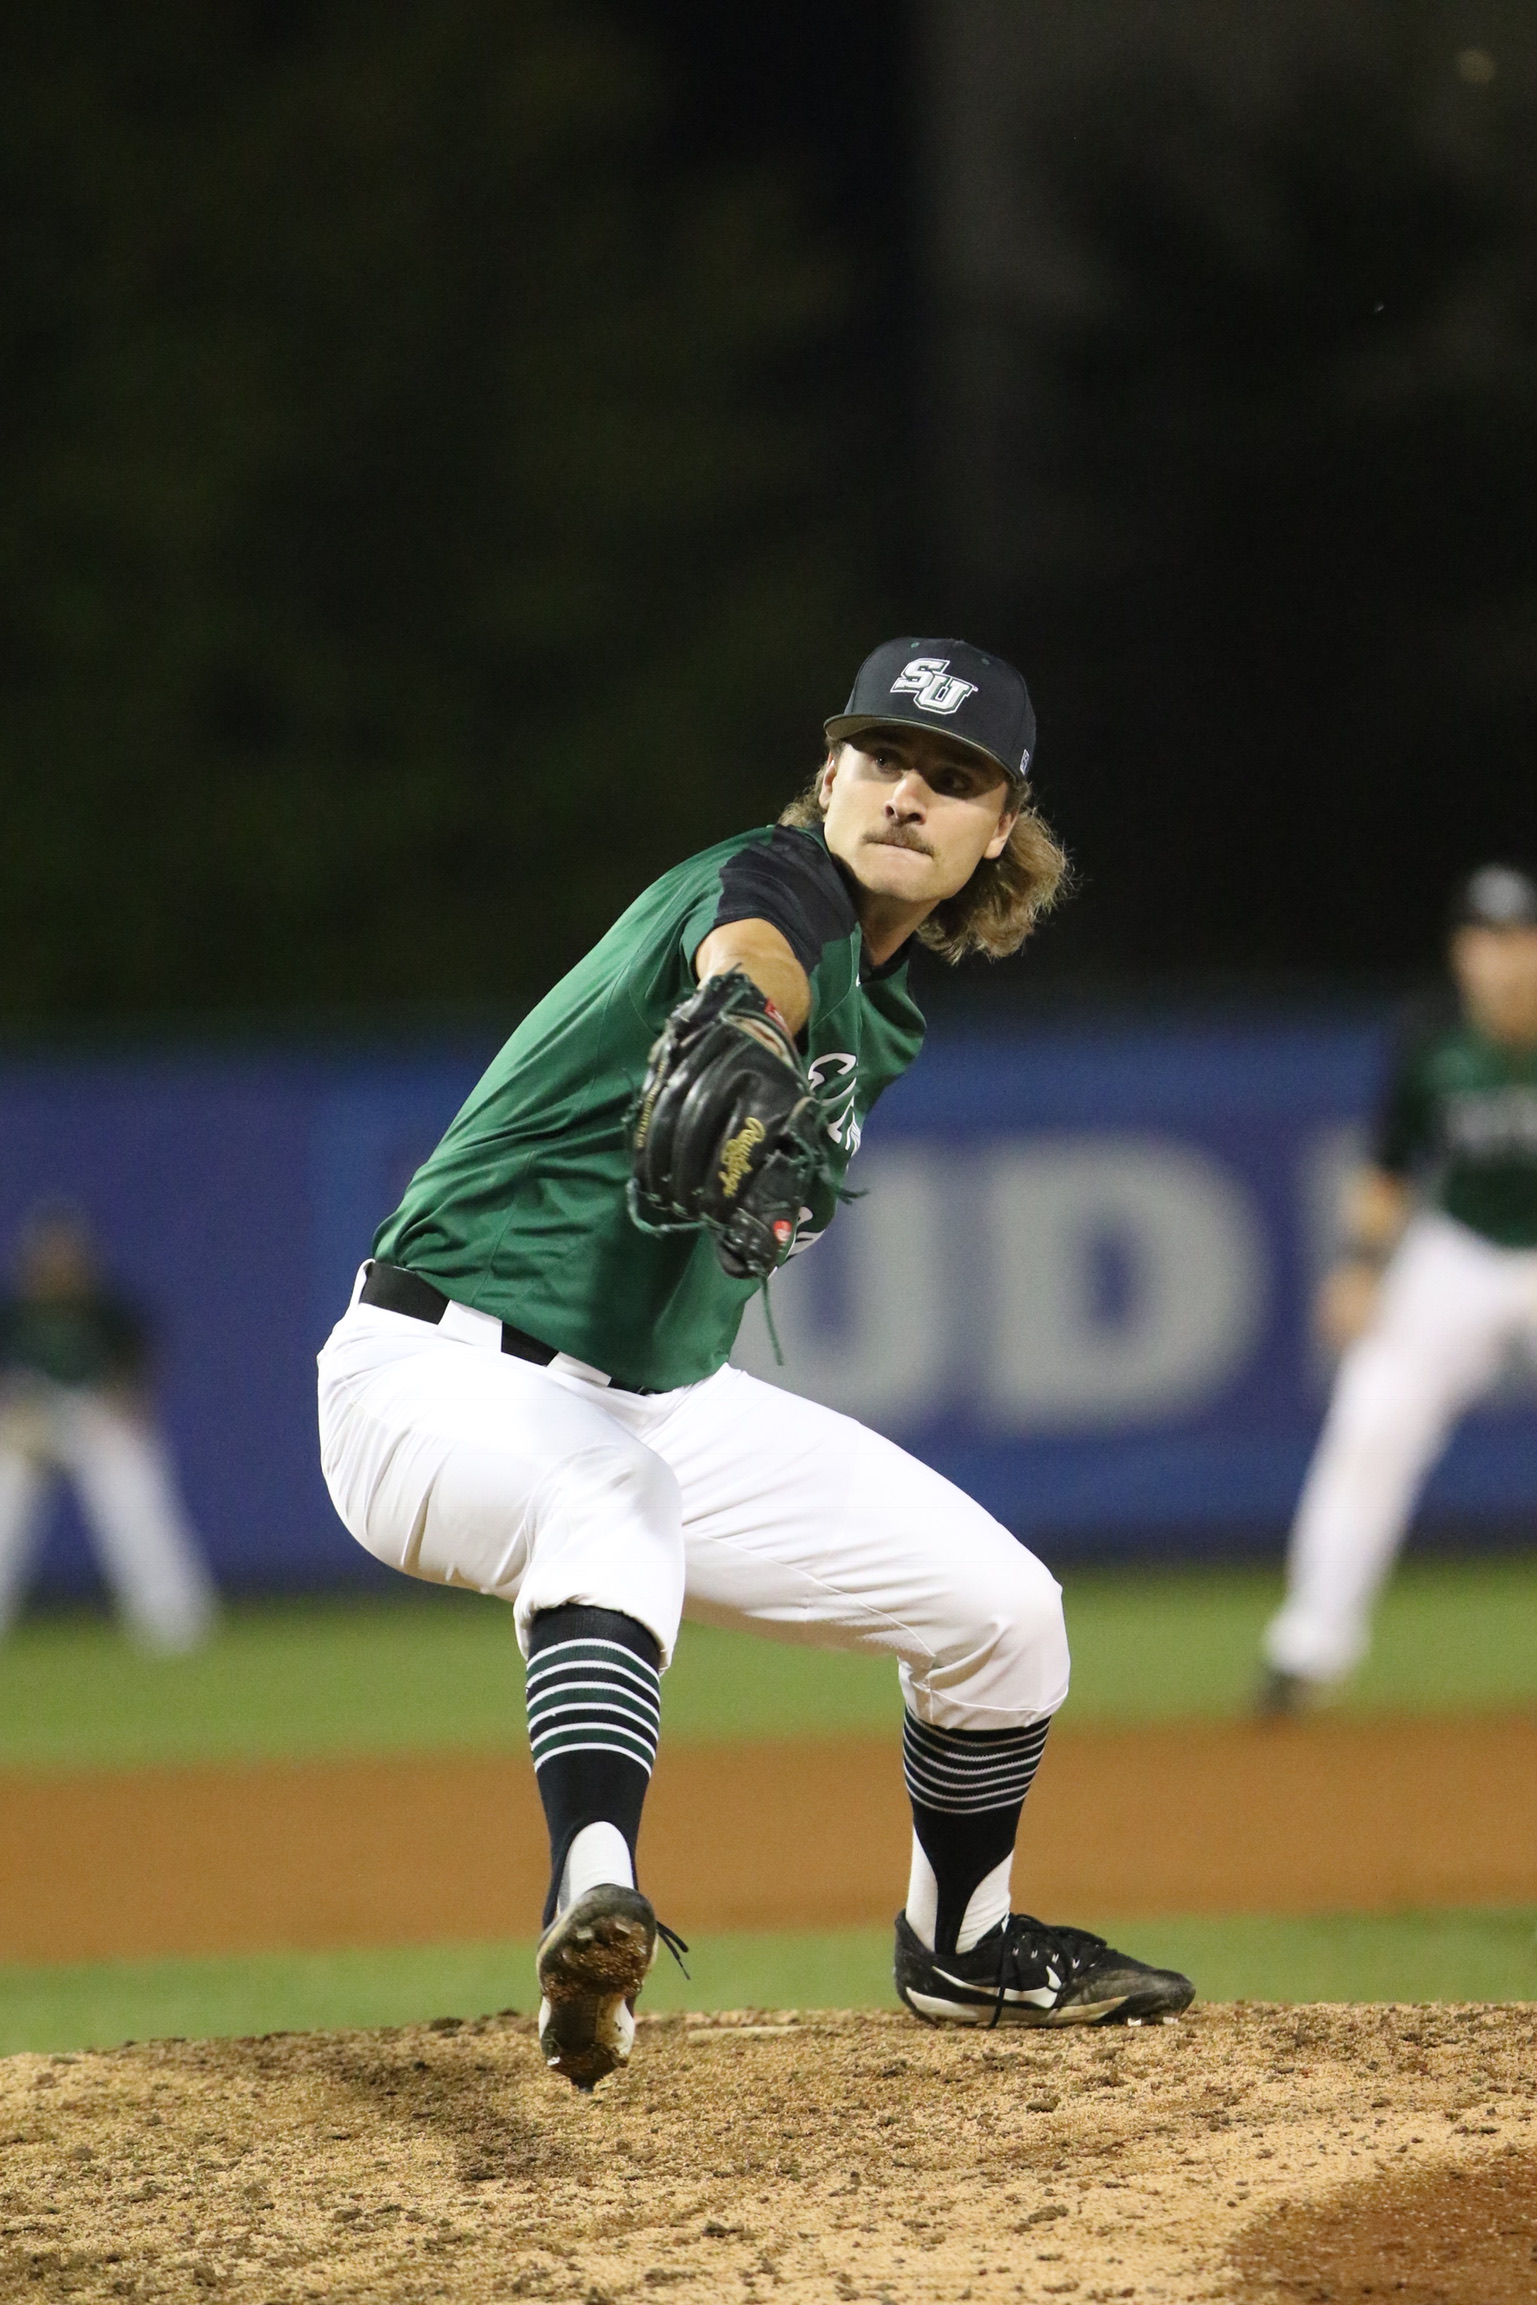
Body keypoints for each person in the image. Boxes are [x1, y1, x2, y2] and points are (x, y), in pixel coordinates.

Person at [317, 636, 1194, 2089]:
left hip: (656, 1404)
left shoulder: (887, 1008)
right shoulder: (775, 885)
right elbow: (753, 949)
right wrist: (741, 1019)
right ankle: (592, 1896)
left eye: (952, 777)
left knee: (1004, 1615)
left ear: (1000, 830)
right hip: (434, 1376)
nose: (906, 792)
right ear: (829, 773)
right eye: (882, 756)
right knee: (611, 1503)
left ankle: (961, 1949)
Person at [1258, 864, 1537, 1713]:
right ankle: (1308, 1648)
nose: (1500, 956)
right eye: (1482, 938)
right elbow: (1388, 1164)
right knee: (1371, 1422)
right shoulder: (1431, 1037)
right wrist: (1358, 1263)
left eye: (1517, 937)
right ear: (1460, 953)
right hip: (1459, 1249)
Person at [0, 1203, 218, 1649]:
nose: (58, 1268)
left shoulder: (110, 1311)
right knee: (7, 1493)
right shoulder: (15, 1314)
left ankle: (172, 1619)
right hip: (31, 1422)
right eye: (49, 1258)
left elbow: (135, 1384)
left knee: (133, 1498)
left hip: (94, 1418)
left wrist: (122, 1410)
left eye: (67, 1257)